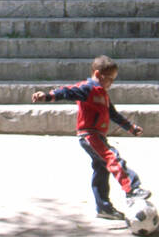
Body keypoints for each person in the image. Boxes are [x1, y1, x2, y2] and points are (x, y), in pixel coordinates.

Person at [32, 55, 149, 220]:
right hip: (89, 134)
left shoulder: (104, 95)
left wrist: (130, 128)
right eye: (110, 79)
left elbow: (113, 114)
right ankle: (132, 189)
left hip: (98, 135)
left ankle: (104, 208)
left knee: (102, 169)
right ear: (98, 74)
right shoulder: (87, 88)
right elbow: (67, 92)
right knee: (112, 157)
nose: (111, 83)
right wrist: (48, 96)